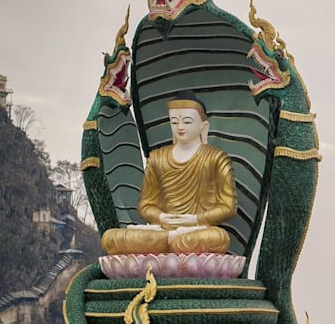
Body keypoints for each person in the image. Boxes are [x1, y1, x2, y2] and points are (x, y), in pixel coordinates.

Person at [101, 91, 237, 255]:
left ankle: (167, 243)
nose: (180, 127)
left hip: (196, 231)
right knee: (111, 238)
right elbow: (146, 206)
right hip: (162, 230)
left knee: (217, 238)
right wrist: (161, 217)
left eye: (187, 121)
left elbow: (228, 206)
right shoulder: (157, 158)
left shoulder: (215, 158)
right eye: (174, 122)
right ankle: (170, 239)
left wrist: (195, 219)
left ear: (203, 126)